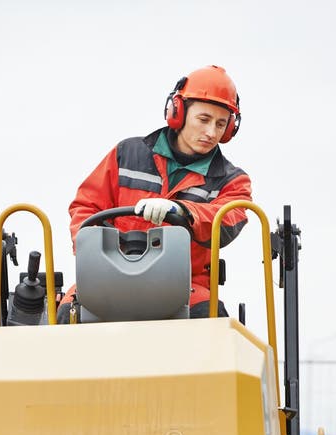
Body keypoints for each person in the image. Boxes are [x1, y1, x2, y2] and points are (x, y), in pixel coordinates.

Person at [58, 65, 252, 322]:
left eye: (221, 124)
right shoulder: (126, 154)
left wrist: (184, 212)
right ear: (177, 112)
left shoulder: (232, 180)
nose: (211, 132)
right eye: (204, 120)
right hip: (110, 275)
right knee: (66, 313)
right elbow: (86, 207)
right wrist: (99, 251)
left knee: (212, 320)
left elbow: (228, 219)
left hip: (186, 286)